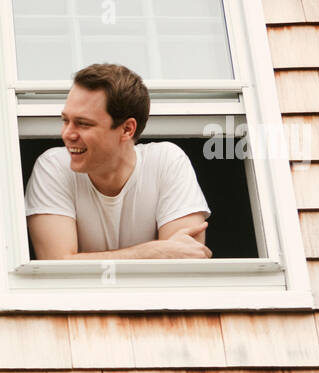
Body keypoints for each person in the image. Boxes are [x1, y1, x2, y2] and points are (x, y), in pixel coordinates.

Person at [25, 63, 212, 260]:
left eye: (83, 124)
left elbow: (185, 263)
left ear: (126, 129)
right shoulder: (53, 167)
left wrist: (83, 261)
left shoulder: (167, 161)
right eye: (65, 120)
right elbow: (56, 268)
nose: (67, 134)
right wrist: (154, 252)